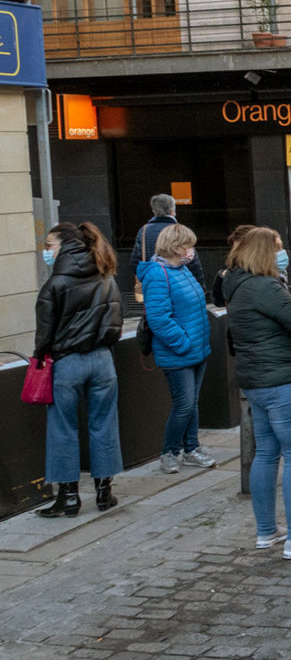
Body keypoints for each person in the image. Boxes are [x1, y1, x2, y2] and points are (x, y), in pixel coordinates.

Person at [223, 227, 291, 559]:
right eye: (279, 248)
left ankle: (267, 530)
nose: (283, 252)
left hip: (256, 381)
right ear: (265, 252)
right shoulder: (265, 286)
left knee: (267, 453)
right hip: (282, 379)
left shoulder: (237, 286)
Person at [34, 222, 125, 518]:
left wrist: (40, 356)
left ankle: (69, 497)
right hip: (102, 360)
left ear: (64, 246)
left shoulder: (55, 284)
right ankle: (103, 492)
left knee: (63, 428)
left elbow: (44, 334)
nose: (46, 251)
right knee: (104, 424)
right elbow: (115, 322)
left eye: (49, 245)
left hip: (67, 362)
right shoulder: (105, 275)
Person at [139, 223, 214, 475]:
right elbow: (159, 318)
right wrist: (183, 342)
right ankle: (170, 452)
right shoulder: (158, 274)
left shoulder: (182, 270)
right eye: (188, 245)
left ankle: (191, 447)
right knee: (183, 405)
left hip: (195, 350)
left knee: (191, 403)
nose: (191, 250)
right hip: (179, 353)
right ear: (175, 247)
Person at [133, 194, 206, 297]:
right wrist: (200, 287)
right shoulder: (179, 231)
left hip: (154, 286)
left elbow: (135, 260)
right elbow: (193, 261)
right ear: (172, 210)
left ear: (154, 211)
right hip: (181, 286)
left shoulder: (144, 231)